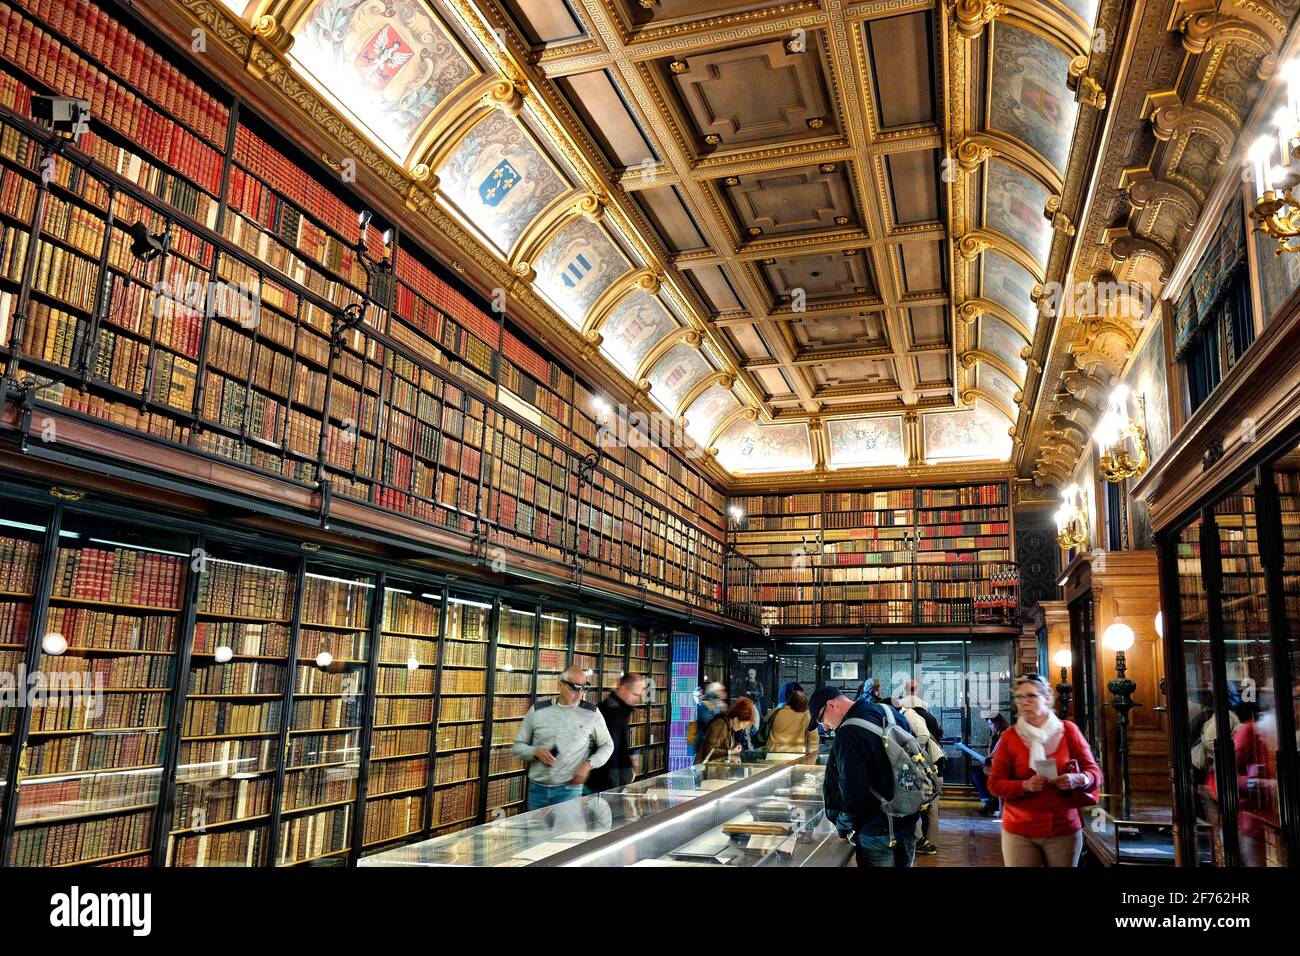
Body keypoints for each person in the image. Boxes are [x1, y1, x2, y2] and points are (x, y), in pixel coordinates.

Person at [987, 674, 1101, 867]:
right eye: (1019, 698)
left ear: (1047, 698)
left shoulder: (1068, 731)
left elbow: (1094, 773)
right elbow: (994, 785)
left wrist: (1079, 778)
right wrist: (1025, 785)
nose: (1024, 703)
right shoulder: (1010, 737)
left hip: (1063, 828)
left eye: (1030, 696)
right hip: (1019, 830)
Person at [809, 686, 923, 867]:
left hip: (876, 830)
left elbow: (853, 792)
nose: (826, 727)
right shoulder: (889, 712)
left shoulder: (848, 733)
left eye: (822, 720)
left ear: (832, 705)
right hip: (908, 820)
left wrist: (843, 826)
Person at [512, 665, 614, 810]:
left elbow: (607, 745)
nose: (579, 695)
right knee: (536, 832)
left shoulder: (591, 713)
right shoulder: (538, 710)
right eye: (575, 687)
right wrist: (534, 751)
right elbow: (517, 747)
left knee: (567, 833)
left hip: (569, 789)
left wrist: (589, 764)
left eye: (584, 688)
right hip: (537, 790)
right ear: (560, 685)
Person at [897, 681, 945, 855]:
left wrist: (910, 752)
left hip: (923, 765)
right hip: (934, 764)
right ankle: (929, 842)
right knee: (932, 806)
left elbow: (923, 736)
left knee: (914, 803)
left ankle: (919, 841)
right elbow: (936, 734)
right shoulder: (926, 713)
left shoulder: (906, 713)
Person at [585, 672, 646, 794]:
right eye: (634, 694)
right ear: (623, 688)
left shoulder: (620, 710)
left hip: (614, 777)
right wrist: (618, 779)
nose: (637, 699)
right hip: (607, 779)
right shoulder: (610, 711)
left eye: (639, 695)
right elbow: (610, 749)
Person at [760, 683, 820, 753]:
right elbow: (813, 741)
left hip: (773, 756)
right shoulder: (806, 714)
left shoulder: (775, 712)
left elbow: (763, 728)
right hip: (797, 757)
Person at [696, 695, 757, 763]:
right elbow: (710, 750)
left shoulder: (728, 726)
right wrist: (730, 752)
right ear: (736, 720)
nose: (743, 728)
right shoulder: (720, 724)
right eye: (744, 724)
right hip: (705, 769)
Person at [971, 713, 1008, 815]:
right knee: (976, 775)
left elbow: (1003, 753)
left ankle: (990, 802)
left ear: (998, 723)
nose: (989, 727)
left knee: (977, 776)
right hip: (993, 764)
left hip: (1002, 766)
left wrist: (990, 761)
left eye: (991, 724)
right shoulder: (994, 736)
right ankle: (990, 801)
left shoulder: (1005, 735)